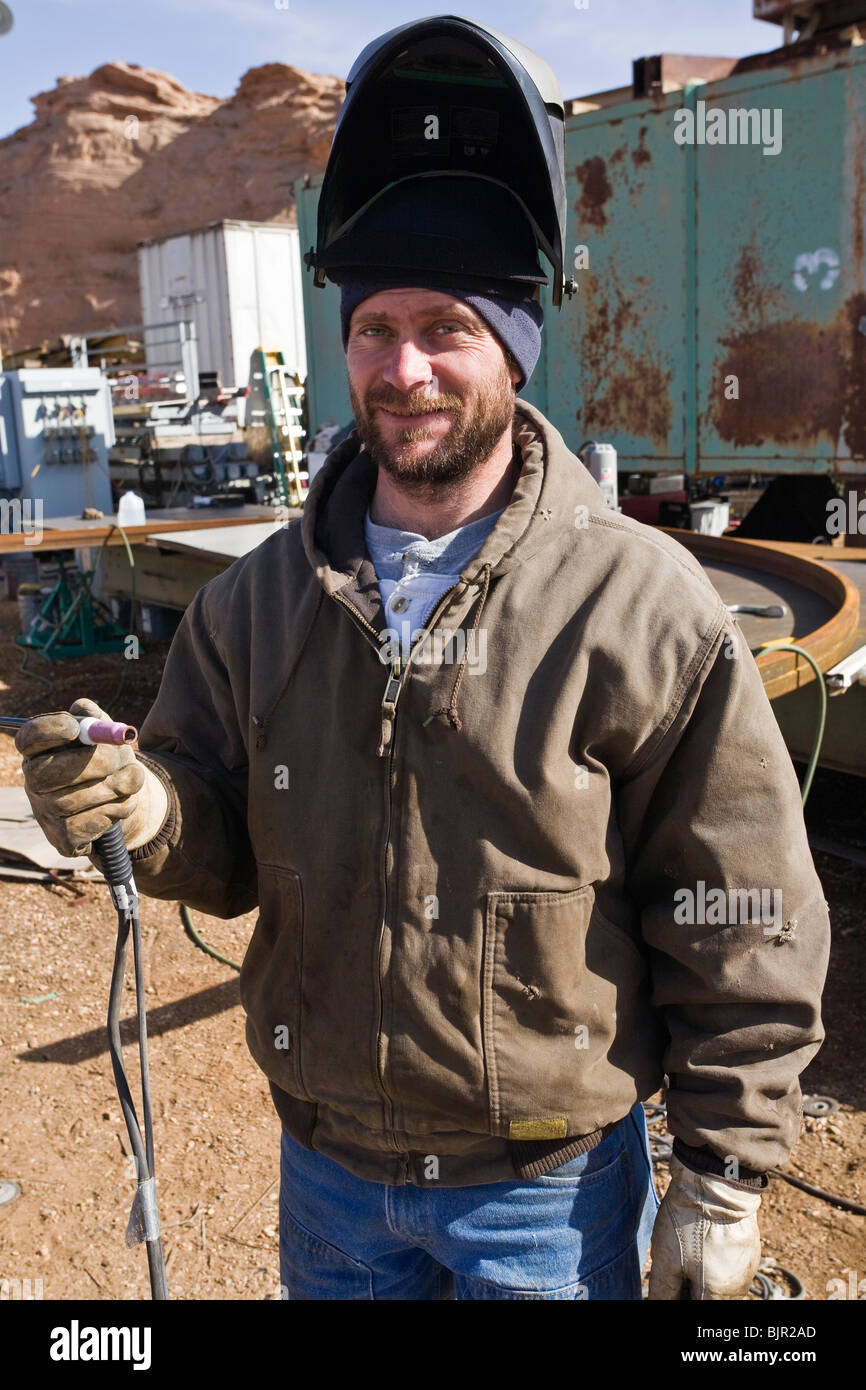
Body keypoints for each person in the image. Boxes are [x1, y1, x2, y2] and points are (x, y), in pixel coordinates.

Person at [15, 25, 829, 1303]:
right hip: (330, 1181)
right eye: (376, 327)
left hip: (547, 1202)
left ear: (513, 347)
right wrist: (152, 806)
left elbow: (743, 899)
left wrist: (721, 1176)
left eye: (446, 328)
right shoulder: (256, 602)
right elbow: (219, 841)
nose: (403, 370)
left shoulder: (635, 600)